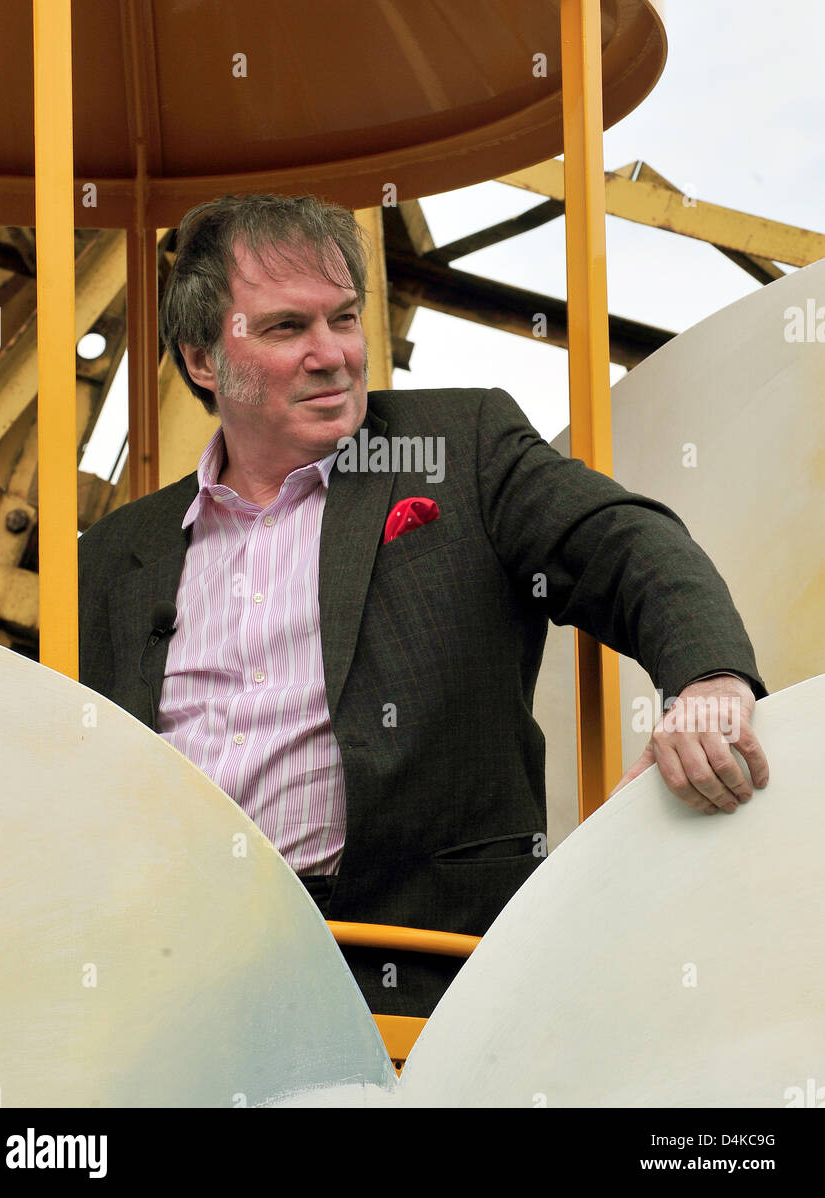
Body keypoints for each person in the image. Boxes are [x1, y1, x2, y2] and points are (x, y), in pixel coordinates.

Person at [78, 193, 769, 1019]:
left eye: (344, 317)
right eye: (286, 328)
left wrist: (707, 682)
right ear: (201, 360)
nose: (332, 354)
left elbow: (625, 544)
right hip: (180, 985)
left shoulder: (459, 446)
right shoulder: (115, 555)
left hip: (428, 973)